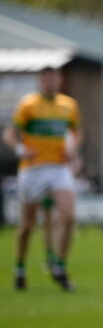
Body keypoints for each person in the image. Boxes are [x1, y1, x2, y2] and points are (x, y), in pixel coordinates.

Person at [3, 67, 80, 291]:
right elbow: (9, 133)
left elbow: (77, 133)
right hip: (33, 168)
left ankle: (60, 267)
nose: (50, 82)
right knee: (27, 225)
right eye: (46, 78)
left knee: (69, 216)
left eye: (54, 78)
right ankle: (19, 268)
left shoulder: (69, 105)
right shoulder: (28, 104)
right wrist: (20, 149)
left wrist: (73, 150)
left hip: (59, 168)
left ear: (60, 80)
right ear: (40, 81)